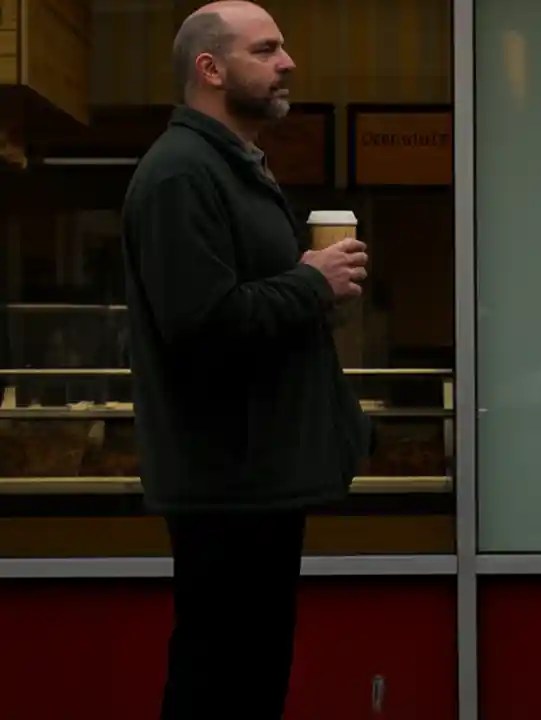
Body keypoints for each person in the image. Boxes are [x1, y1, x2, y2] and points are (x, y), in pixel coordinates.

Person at [119, 2, 372, 717]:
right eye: (265, 50)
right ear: (210, 68)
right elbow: (201, 326)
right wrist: (310, 284)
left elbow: (248, 306)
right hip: (226, 480)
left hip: (257, 476)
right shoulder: (182, 174)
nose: (287, 63)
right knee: (222, 680)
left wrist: (315, 292)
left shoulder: (232, 166)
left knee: (250, 676)